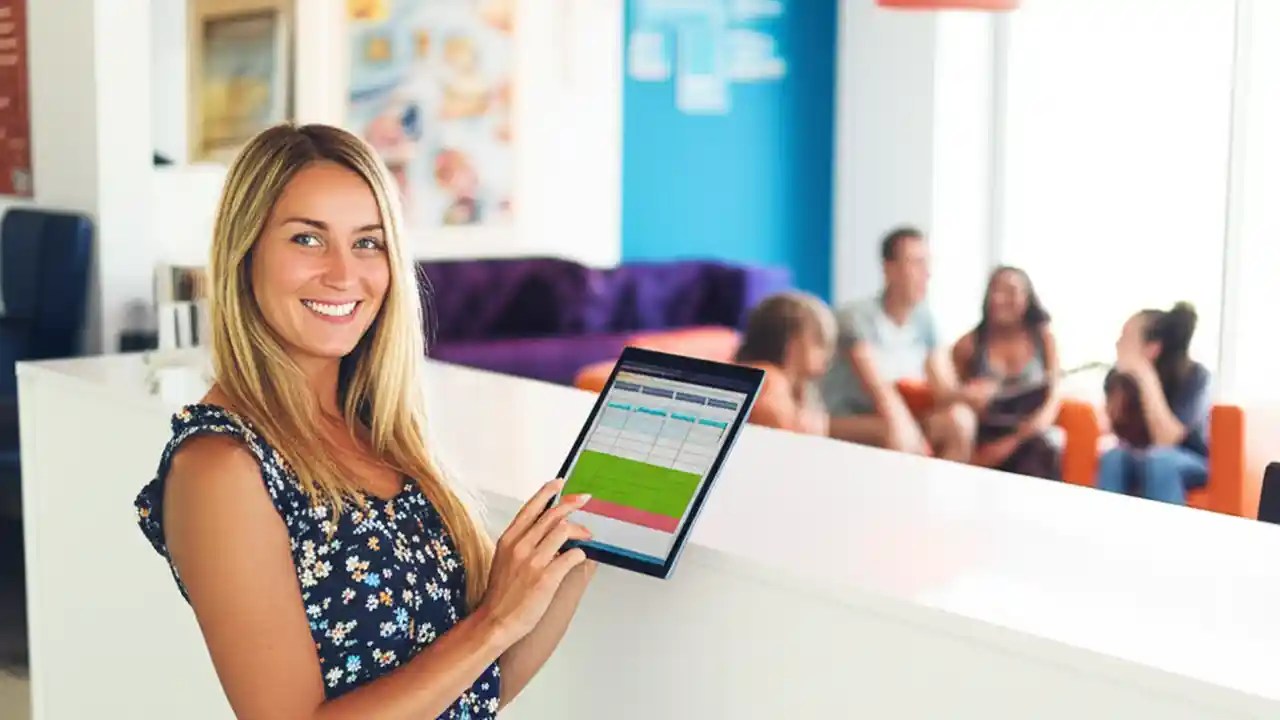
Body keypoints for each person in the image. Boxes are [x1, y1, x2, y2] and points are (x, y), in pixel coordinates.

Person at [133, 123, 595, 719]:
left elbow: (473, 694)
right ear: (244, 255)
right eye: (307, 239)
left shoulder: (382, 435)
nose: (344, 275)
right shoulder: (222, 466)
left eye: (368, 243)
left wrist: (570, 560)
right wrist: (494, 619)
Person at [821, 226, 975, 460]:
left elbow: (943, 387)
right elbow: (880, 390)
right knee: (895, 430)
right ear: (889, 269)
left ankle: (942, 494)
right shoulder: (855, 317)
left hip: (901, 415)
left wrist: (971, 395)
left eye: (927, 263)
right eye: (916, 263)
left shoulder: (925, 320)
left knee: (960, 420)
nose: (926, 273)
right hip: (849, 416)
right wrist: (912, 434)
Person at [951, 266, 1062, 479]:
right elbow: (955, 398)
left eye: (1010, 291)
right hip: (985, 436)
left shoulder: (1043, 338)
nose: (1001, 298)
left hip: (1031, 433)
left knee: (1040, 452)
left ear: (1027, 298)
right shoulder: (970, 344)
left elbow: (1054, 395)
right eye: (995, 290)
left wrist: (1015, 440)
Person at [1097, 302, 1210, 505]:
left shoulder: (1195, 376)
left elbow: (1167, 441)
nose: (1118, 345)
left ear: (1152, 349)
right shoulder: (1118, 379)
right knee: (1113, 457)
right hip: (1140, 457)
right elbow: (1110, 432)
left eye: (1125, 338)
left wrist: (1145, 376)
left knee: (1160, 460)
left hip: (1193, 460)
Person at [734, 292, 837, 436]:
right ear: (794, 343)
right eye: (818, 342)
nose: (827, 354)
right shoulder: (770, 382)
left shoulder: (754, 376)